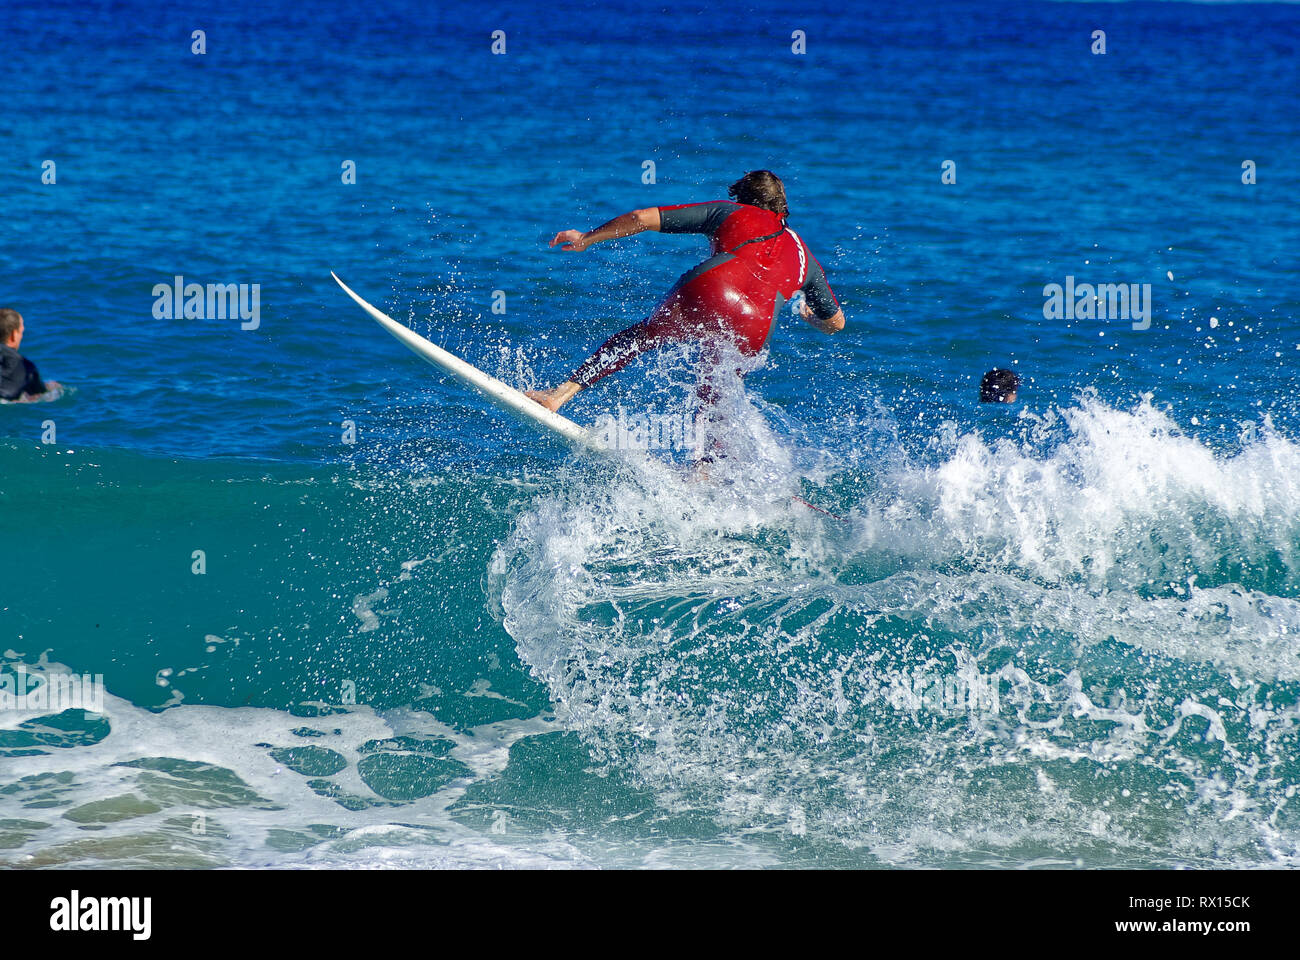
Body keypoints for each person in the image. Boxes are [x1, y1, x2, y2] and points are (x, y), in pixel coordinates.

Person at [526, 170, 844, 415]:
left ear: (742, 198)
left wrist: (587, 238)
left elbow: (640, 218)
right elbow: (837, 322)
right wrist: (813, 320)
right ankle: (704, 472)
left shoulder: (731, 212)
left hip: (714, 287)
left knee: (642, 337)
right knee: (717, 390)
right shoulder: (804, 255)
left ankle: (557, 397)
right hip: (758, 322)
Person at [0, 308, 58, 401]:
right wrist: (51, 388)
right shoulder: (26, 367)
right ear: (14, 335)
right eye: (21, 332)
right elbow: (41, 396)